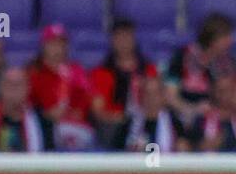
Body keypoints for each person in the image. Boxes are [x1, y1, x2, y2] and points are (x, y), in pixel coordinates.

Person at [90, 19, 157, 148]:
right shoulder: (101, 73)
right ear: (112, 40)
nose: (123, 42)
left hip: (145, 124)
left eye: (127, 36)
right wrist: (124, 118)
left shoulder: (148, 70)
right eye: (119, 37)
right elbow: (98, 111)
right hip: (115, 129)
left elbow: (156, 104)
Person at [28, 23, 95, 151]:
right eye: (52, 43)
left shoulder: (77, 71)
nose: (57, 48)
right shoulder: (34, 73)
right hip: (45, 128)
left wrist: (72, 112)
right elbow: (29, 107)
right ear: (44, 46)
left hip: (77, 127)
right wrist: (46, 115)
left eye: (61, 43)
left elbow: (85, 104)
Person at [164, 12, 236, 127]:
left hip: (216, 119)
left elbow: (233, 97)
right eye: (226, 36)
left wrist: (215, 112)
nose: (231, 41)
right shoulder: (182, 57)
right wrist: (192, 110)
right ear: (213, 39)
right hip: (183, 116)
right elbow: (170, 96)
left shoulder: (228, 63)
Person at [0, 66, 52, 152]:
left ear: (28, 88)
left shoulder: (42, 120)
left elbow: (49, 157)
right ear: (0, 88)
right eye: (9, 84)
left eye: (18, 84)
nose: (14, 89)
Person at [112, 73, 186, 153]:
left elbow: (184, 148)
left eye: (155, 94)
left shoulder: (174, 121)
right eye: (147, 93)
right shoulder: (130, 122)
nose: (151, 98)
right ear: (141, 96)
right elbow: (117, 152)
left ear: (163, 96)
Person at [193, 72, 236, 152]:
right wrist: (204, 145)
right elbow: (193, 147)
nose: (225, 94)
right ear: (214, 92)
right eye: (221, 90)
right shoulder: (202, 119)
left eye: (229, 90)